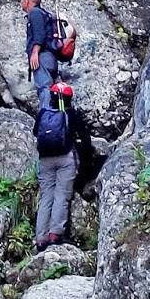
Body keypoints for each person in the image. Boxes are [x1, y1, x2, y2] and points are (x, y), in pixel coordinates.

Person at [34, 82, 92, 252]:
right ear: (69, 98)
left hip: (45, 160)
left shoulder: (43, 113)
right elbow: (83, 137)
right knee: (61, 195)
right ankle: (55, 234)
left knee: (46, 198)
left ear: (51, 97)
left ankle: (41, 239)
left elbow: (35, 132)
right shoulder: (71, 114)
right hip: (65, 158)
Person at [20, 0, 60, 97]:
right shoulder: (42, 13)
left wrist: (35, 53)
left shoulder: (35, 13)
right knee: (53, 89)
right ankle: (56, 112)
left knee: (44, 88)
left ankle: (48, 113)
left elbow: (40, 34)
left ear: (27, 1)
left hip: (42, 58)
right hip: (50, 58)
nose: (21, 0)